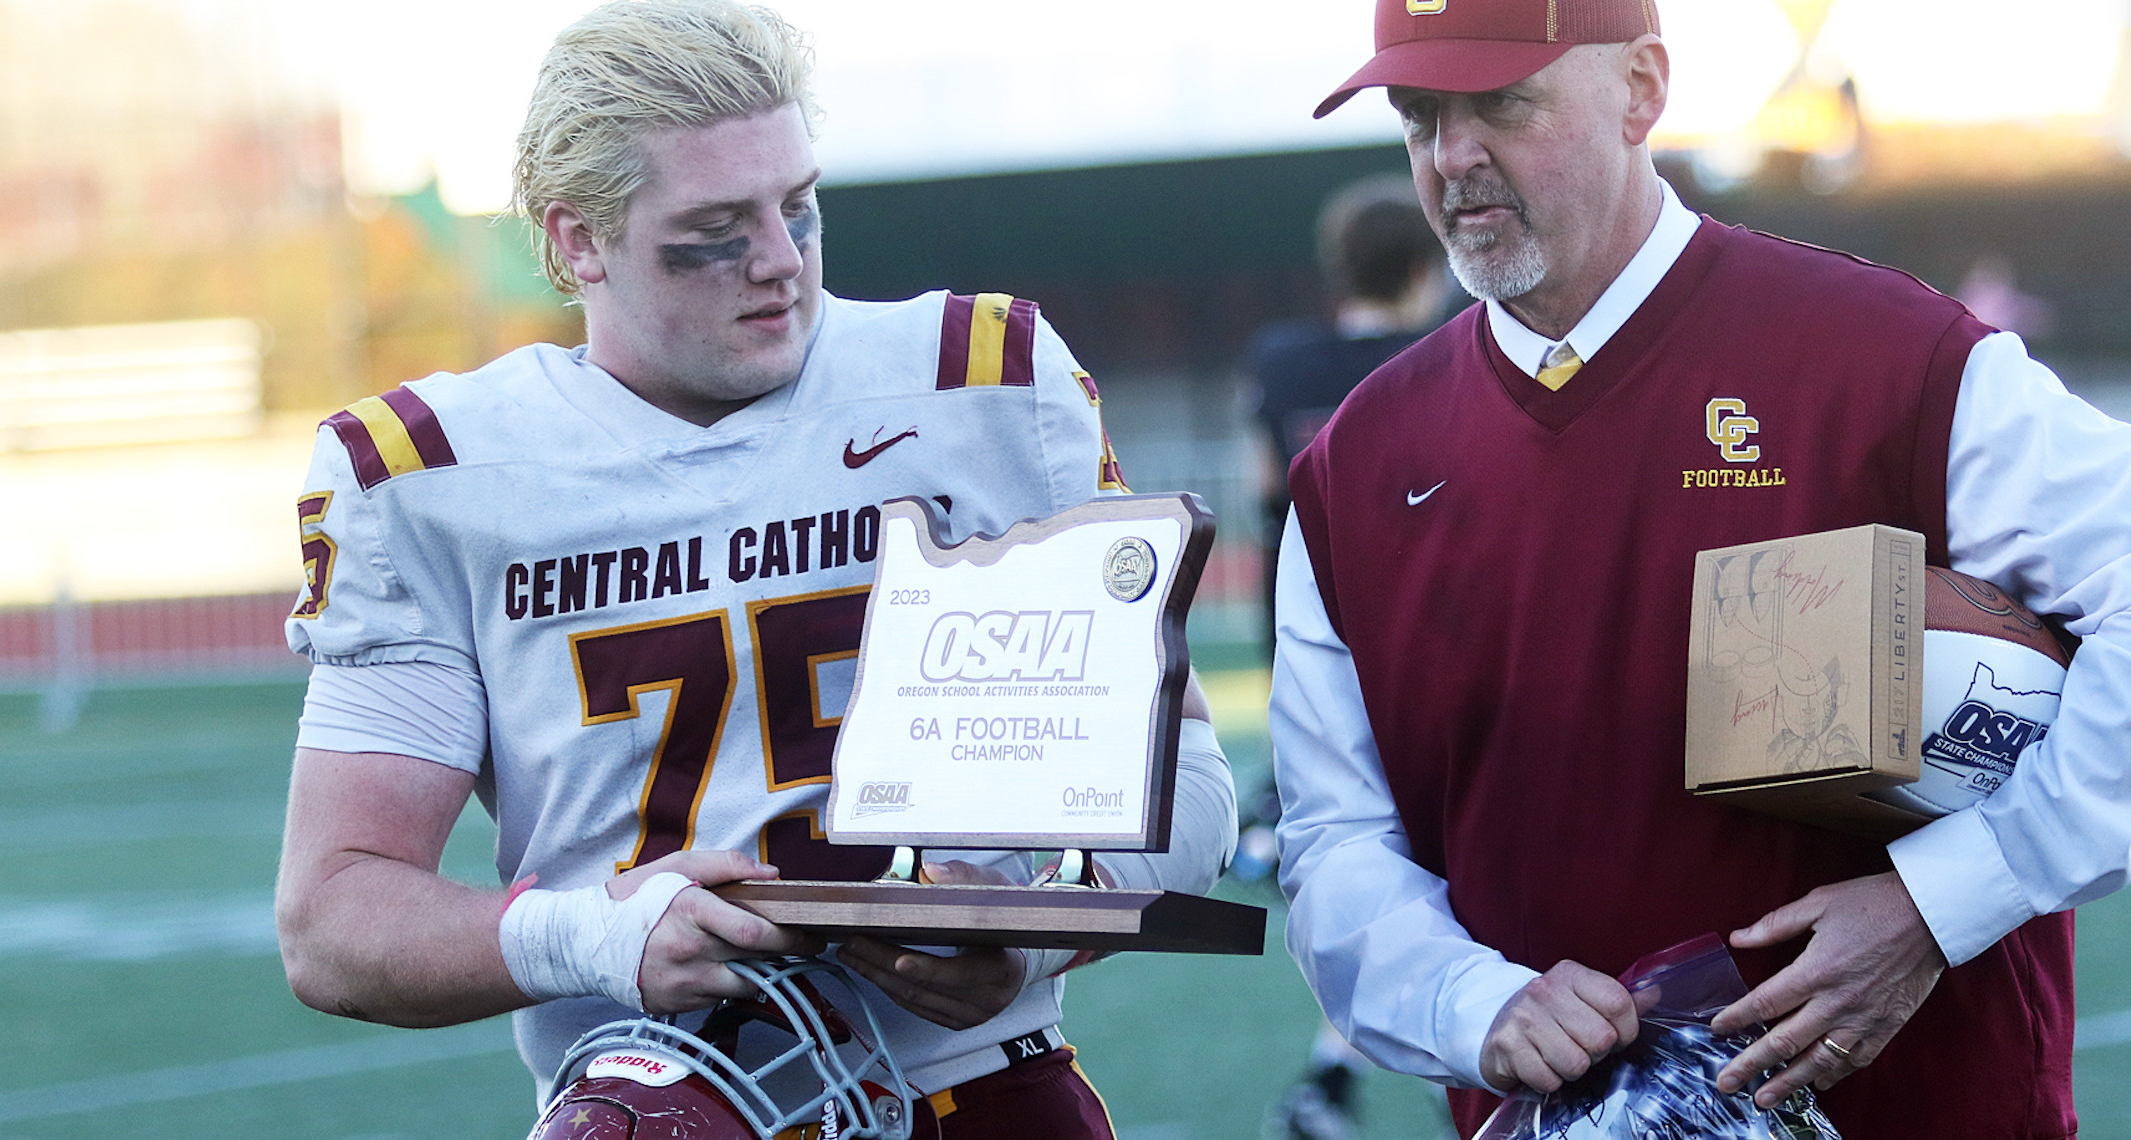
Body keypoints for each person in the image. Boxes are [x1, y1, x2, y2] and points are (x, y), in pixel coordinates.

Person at [272, 3, 1237, 1136]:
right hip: (656, 1102)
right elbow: (333, 919)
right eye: (715, 231)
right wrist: (596, 938)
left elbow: (1188, 791)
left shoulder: (977, 385)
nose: (780, 264)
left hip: (978, 1089)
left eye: (798, 207)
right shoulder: (430, 476)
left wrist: (1027, 930)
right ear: (579, 239)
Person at [1271, 1, 2131, 1137]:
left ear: (1640, 88)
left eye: (1500, 103)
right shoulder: (1356, 464)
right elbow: (1335, 841)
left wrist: (1944, 900)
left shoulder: (1886, 357)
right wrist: (1472, 1003)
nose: (1452, 154)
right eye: (1418, 113)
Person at [1241, 176, 1454, 1140]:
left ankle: (1339, 1076)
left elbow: (1263, 499)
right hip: (1426, 653)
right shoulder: (1449, 356)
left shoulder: (1281, 361)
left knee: (1353, 868)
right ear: (1429, 261)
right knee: (1454, 871)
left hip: (1310, 651)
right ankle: (1434, 1067)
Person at [1250, 173, 1455, 659]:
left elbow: (1266, 485)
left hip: (1306, 609)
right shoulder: (1446, 356)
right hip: (1423, 613)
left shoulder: (1277, 360)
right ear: (1420, 271)